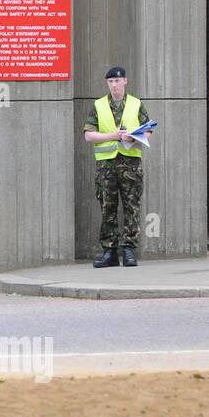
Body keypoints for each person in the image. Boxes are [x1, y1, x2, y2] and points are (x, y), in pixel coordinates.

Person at [83, 66, 154, 268]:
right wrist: (112, 136)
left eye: (117, 81)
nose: (114, 85)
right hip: (106, 166)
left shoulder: (136, 104)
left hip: (130, 164)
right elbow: (89, 135)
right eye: (111, 82)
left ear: (125, 81)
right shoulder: (98, 105)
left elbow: (148, 132)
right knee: (108, 207)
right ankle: (110, 252)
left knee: (132, 206)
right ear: (108, 84)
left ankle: (129, 251)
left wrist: (132, 137)